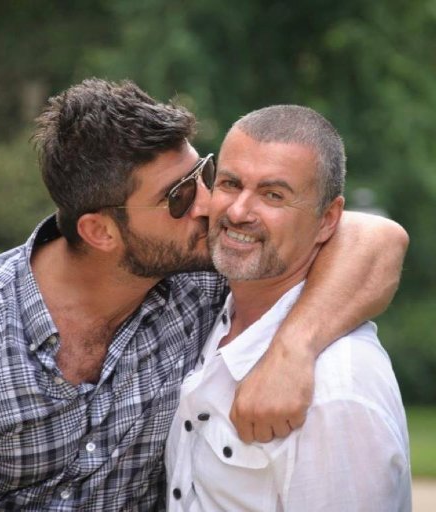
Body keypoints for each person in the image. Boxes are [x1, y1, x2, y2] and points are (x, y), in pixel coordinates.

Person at [0, 79, 408, 510]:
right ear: (100, 232)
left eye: (205, 175)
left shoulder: (202, 277)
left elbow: (375, 237)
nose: (212, 205)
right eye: (178, 196)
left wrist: (294, 348)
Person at [166, 105, 411, 511]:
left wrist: (295, 347)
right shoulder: (204, 301)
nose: (238, 212)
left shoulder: (337, 392)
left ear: (328, 220)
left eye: (273, 195)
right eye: (230, 183)